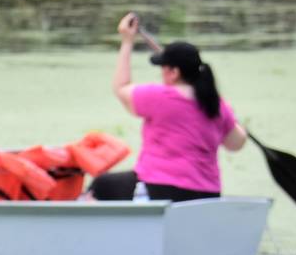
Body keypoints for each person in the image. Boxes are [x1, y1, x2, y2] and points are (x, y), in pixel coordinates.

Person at [92, 13, 247, 202]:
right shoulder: (216, 105)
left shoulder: (160, 96)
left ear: (174, 72)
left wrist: (127, 41)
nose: (161, 74)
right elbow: (236, 143)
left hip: (160, 189)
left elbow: (121, 88)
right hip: (207, 195)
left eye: (163, 69)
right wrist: (232, 118)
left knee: (101, 185)